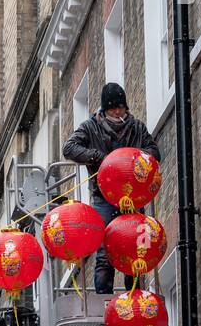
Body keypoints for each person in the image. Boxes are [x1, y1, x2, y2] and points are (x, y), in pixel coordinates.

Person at [62, 82, 161, 295]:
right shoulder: (90, 127)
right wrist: (99, 158)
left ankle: (135, 295)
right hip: (103, 197)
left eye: (121, 107)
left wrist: (131, 157)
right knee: (104, 252)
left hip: (133, 198)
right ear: (105, 109)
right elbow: (69, 148)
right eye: (113, 108)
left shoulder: (137, 127)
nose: (118, 112)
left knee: (135, 248)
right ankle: (103, 298)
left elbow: (154, 152)